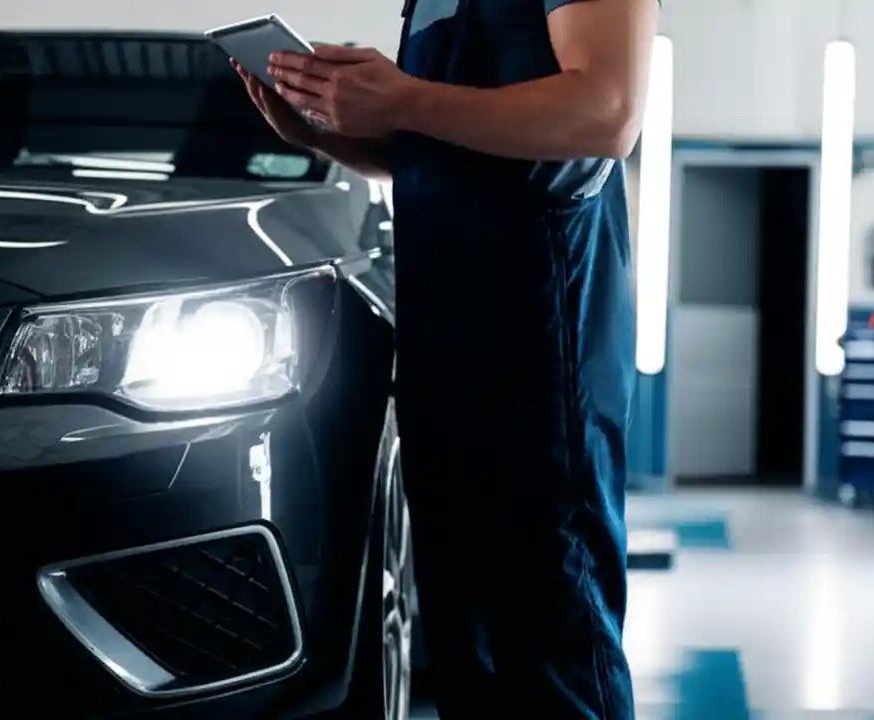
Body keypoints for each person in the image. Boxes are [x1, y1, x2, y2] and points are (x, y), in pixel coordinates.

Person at [235, 1, 659, 717]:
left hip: (542, 345)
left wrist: (401, 98)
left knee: (551, 639)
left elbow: (607, 111)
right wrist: (324, 128)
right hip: (446, 341)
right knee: (471, 651)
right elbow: (445, 145)